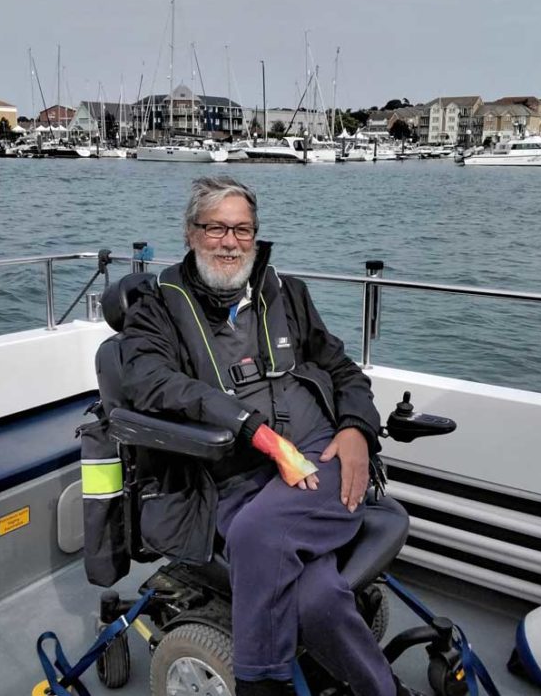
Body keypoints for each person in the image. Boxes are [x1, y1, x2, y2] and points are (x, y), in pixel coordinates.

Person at [120, 176, 409, 696]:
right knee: (314, 598)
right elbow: (149, 380)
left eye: (243, 230)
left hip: (322, 458)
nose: (230, 242)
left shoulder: (287, 293)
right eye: (216, 228)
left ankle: (260, 685)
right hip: (230, 481)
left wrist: (359, 430)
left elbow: (343, 371)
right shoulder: (157, 308)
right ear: (191, 233)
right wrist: (255, 432)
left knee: (257, 535)